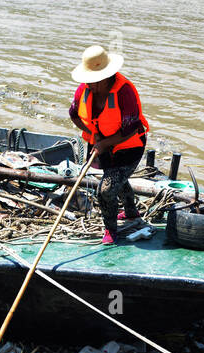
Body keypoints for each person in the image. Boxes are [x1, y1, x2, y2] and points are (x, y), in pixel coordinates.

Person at [68, 44, 150, 244]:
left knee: (106, 189)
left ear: (108, 76)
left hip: (129, 147)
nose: (91, 85)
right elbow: (73, 114)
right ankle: (131, 212)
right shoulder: (84, 90)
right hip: (102, 144)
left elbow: (131, 127)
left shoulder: (124, 92)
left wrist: (105, 143)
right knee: (115, 179)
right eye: (89, 80)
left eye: (95, 81)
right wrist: (92, 134)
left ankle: (110, 229)